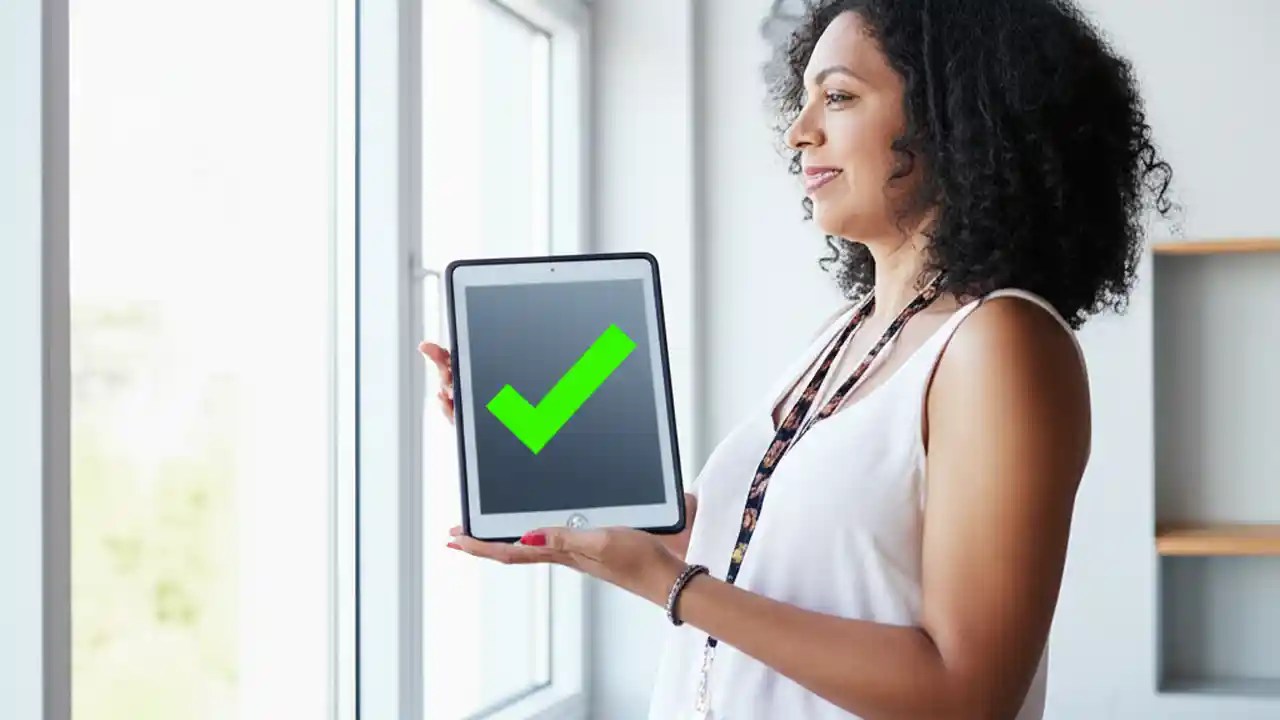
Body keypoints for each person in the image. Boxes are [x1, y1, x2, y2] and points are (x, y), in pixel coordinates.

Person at [420, 0, 1173, 716]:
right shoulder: (845, 333)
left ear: (955, 121)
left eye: (838, 97)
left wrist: (675, 587)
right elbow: (753, 548)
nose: (798, 132)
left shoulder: (1001, 345)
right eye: (806, 99)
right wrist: (528, 440)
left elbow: (966, 694)